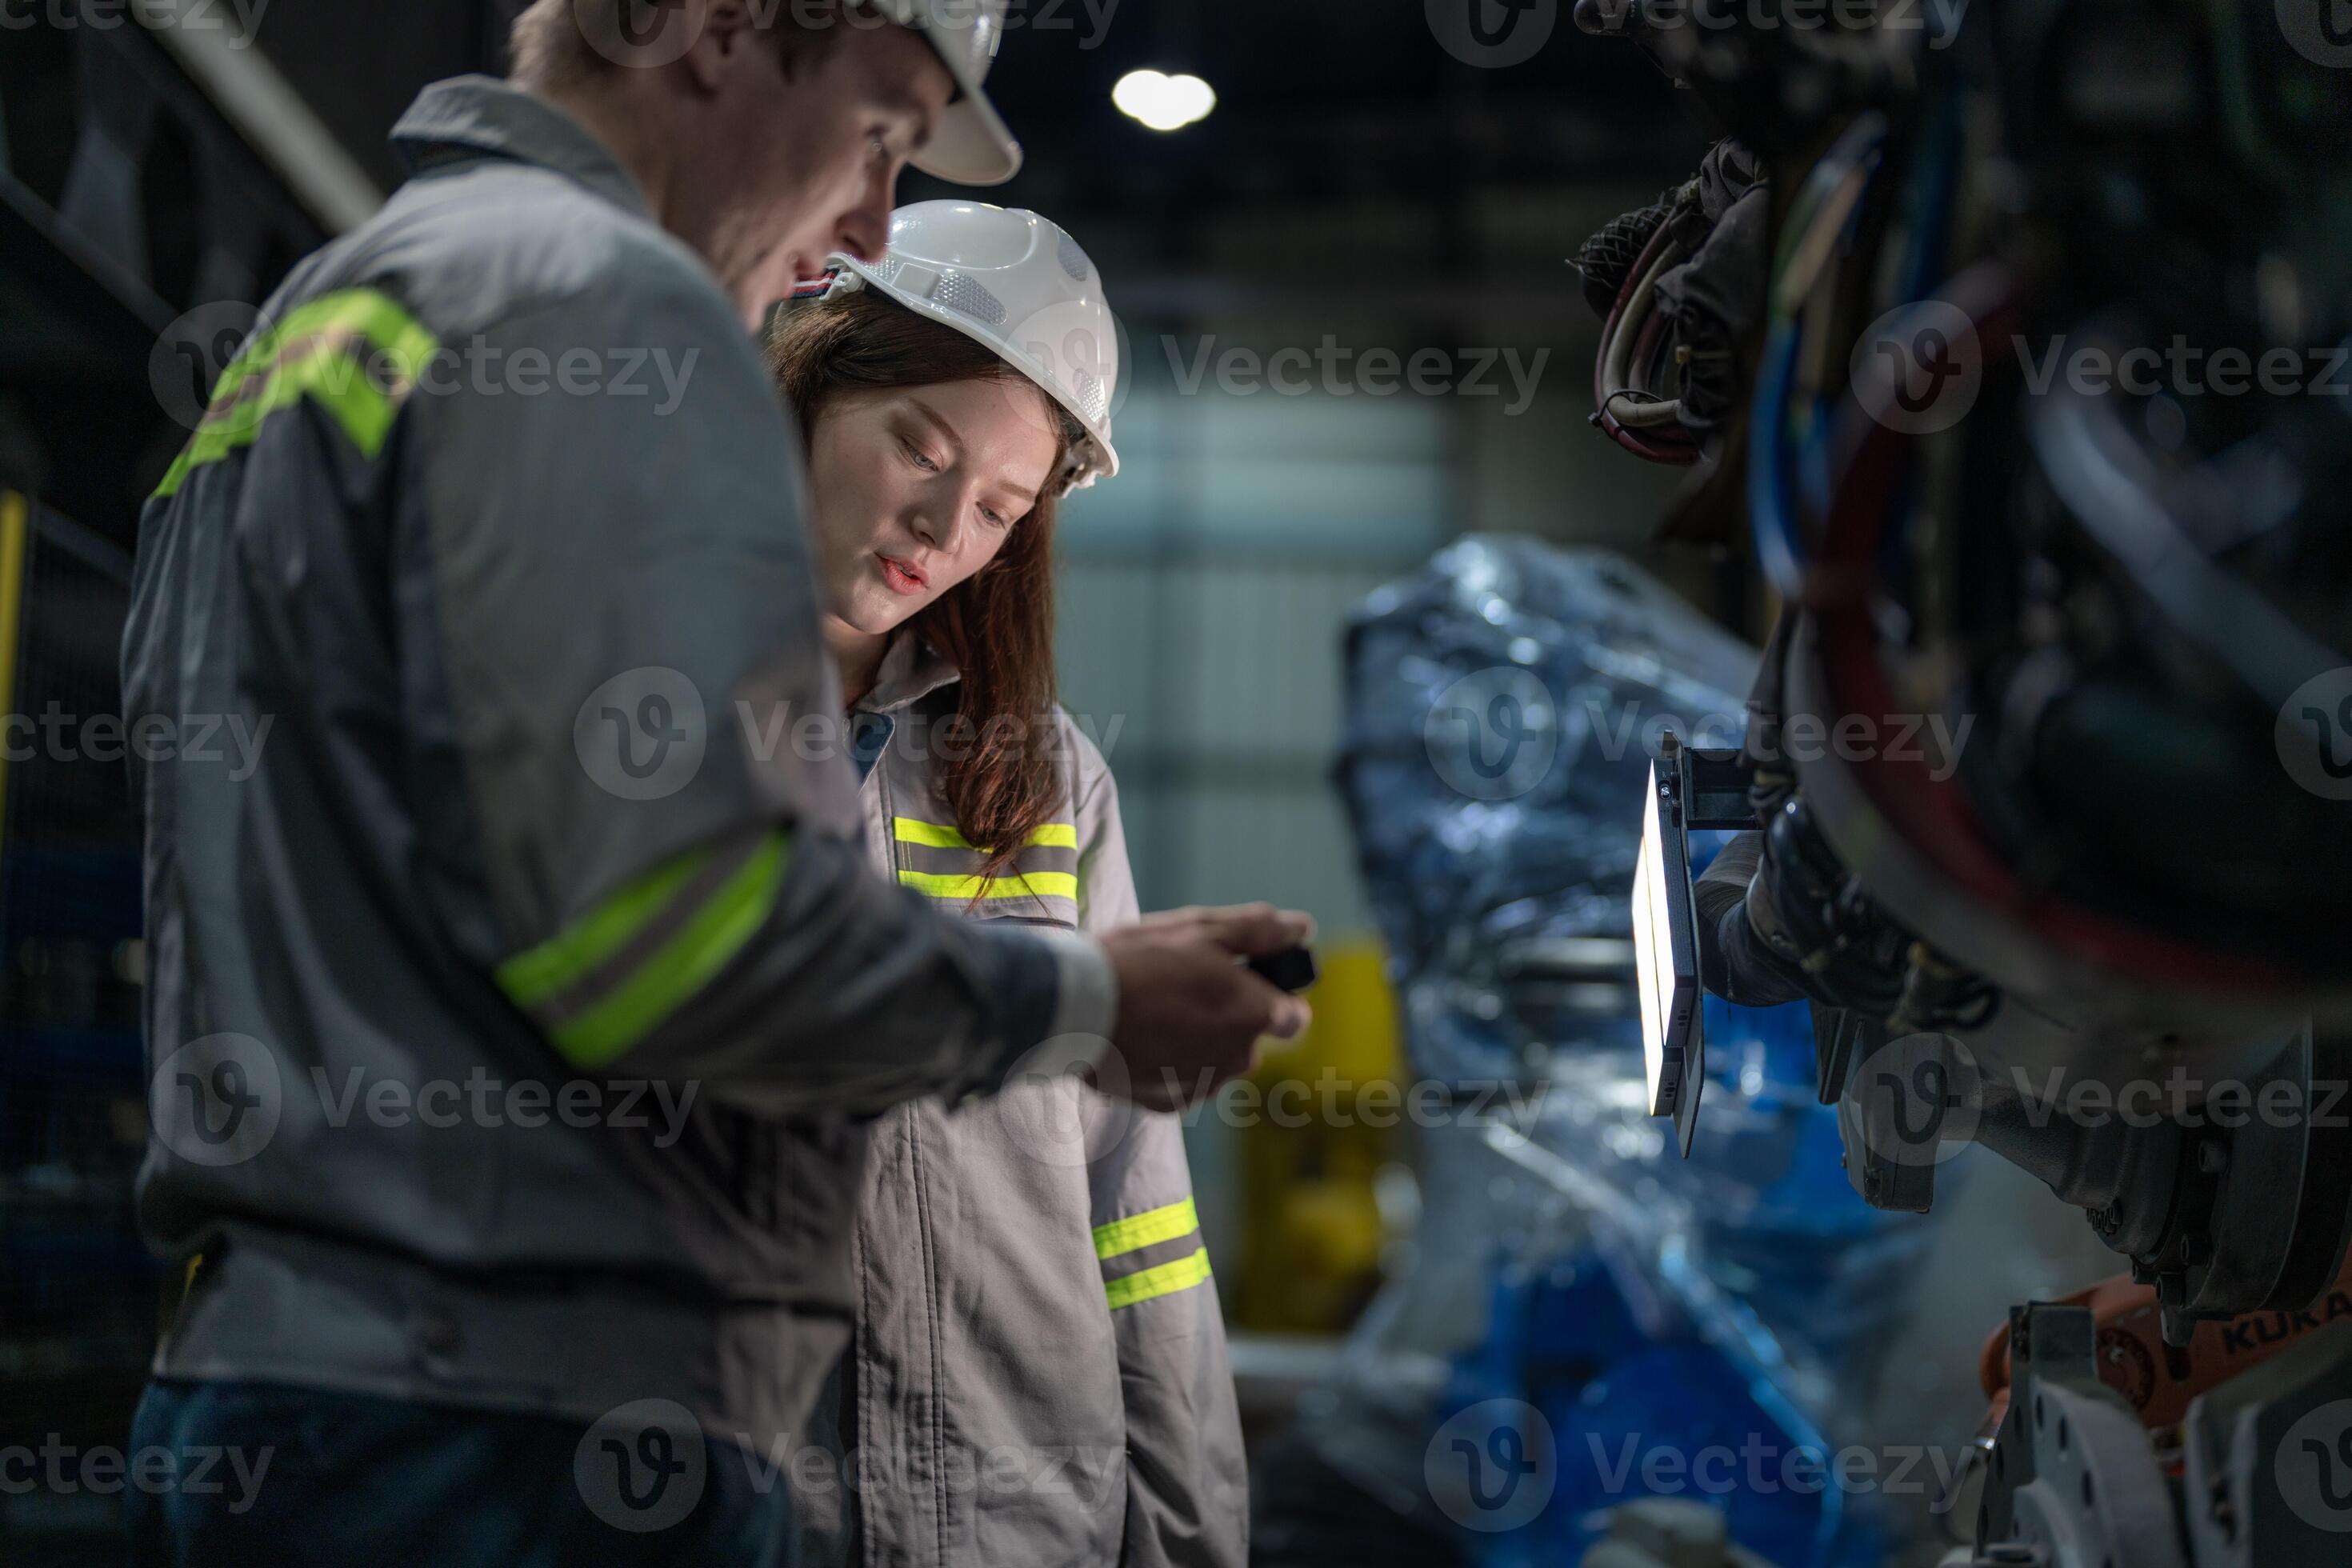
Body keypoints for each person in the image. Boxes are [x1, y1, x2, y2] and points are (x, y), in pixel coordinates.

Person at [120, 3, 1307, 1562]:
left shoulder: (299, 345)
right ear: (713, 29)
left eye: (1005, 503)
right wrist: (1085, 1000)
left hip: (268, 1390)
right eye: (881, 129)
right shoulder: (601, 317)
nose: (874, 218)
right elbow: (669, 932)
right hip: (512, 1432)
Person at [766, 202, 1249, 1567]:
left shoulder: (1038, 774)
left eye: (999, 505)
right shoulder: (640, 721)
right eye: (920, 442)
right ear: (812, 377)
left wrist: (1188, 1532)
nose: (943, 526)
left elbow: (1137, 1205)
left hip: (1021, 1527)